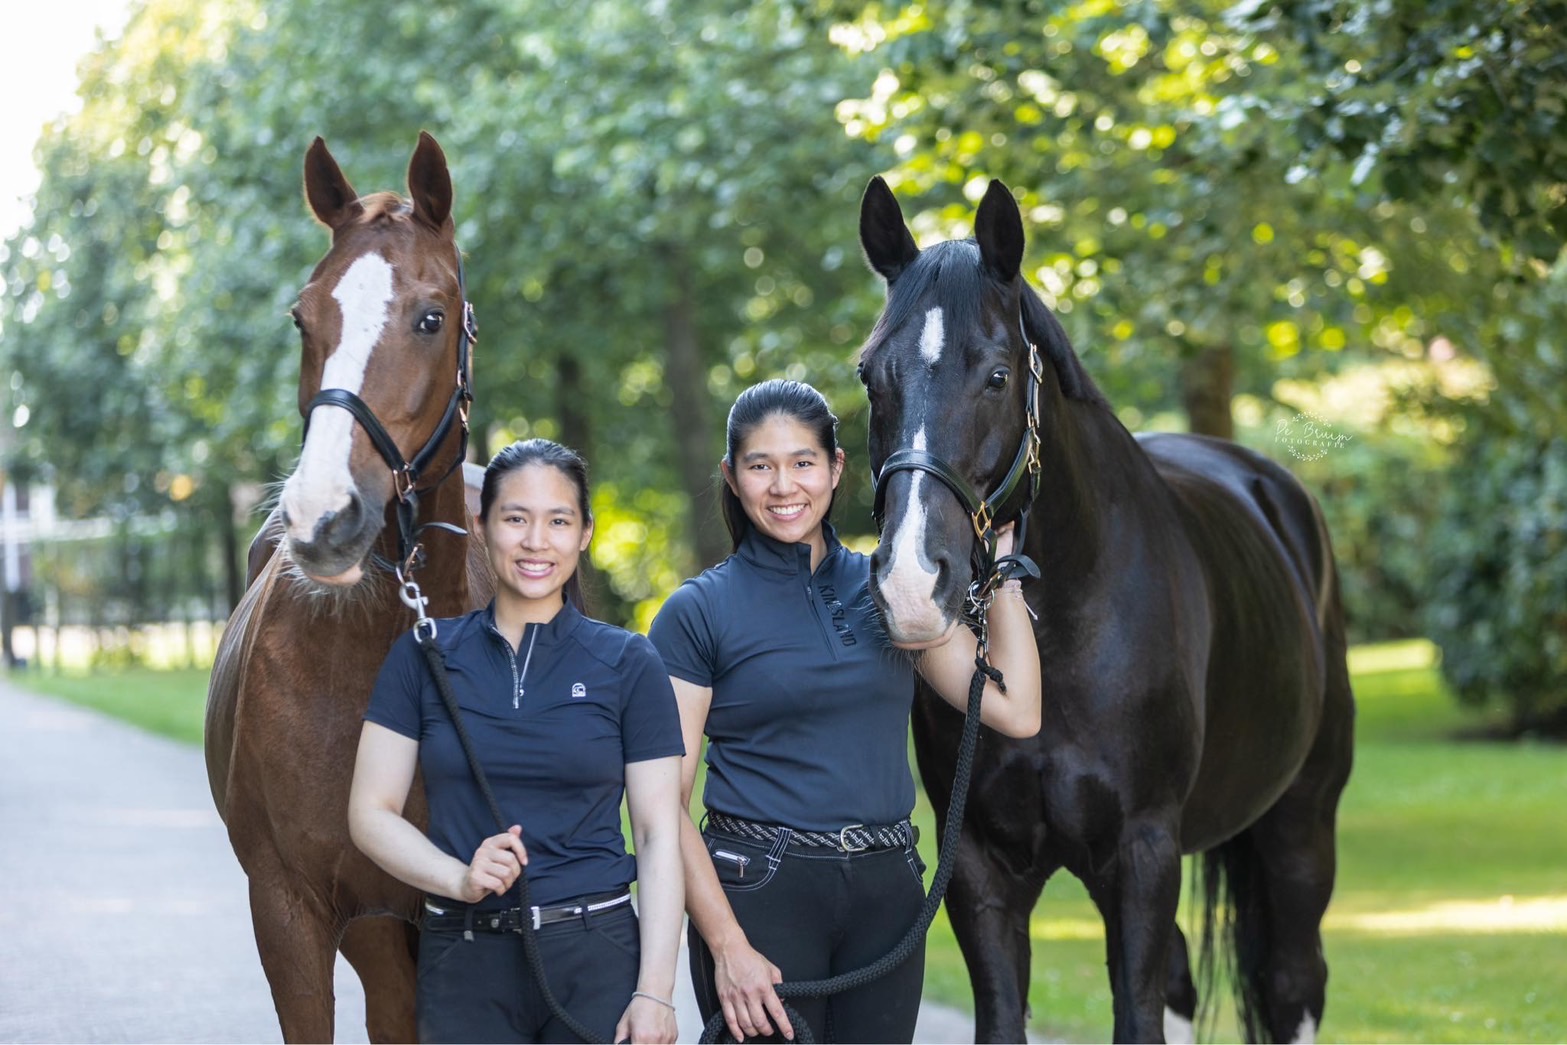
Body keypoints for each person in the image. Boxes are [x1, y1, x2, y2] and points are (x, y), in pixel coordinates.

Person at [649, 380, 1042, 1043]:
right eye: (760, 465)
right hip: (761, 888)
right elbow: (664, 804)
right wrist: (727, 946)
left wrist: (1001, 570)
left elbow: (1016, 708)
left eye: (802, 461)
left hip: (885, 891)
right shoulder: (697, 611)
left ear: (835, 469)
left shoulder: (889, 590)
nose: (783, 485)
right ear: (731, 476)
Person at [349, 439, 685, 1044]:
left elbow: (661, 835)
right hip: (463, 961)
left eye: (558, 520)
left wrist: (655, 992)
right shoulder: (422, 656)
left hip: (597, 960)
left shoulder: (629, 662)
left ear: (584, 533)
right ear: (481, 527)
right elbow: (370, 814)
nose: (537, 541)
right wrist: (457, 879)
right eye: (516, 519)